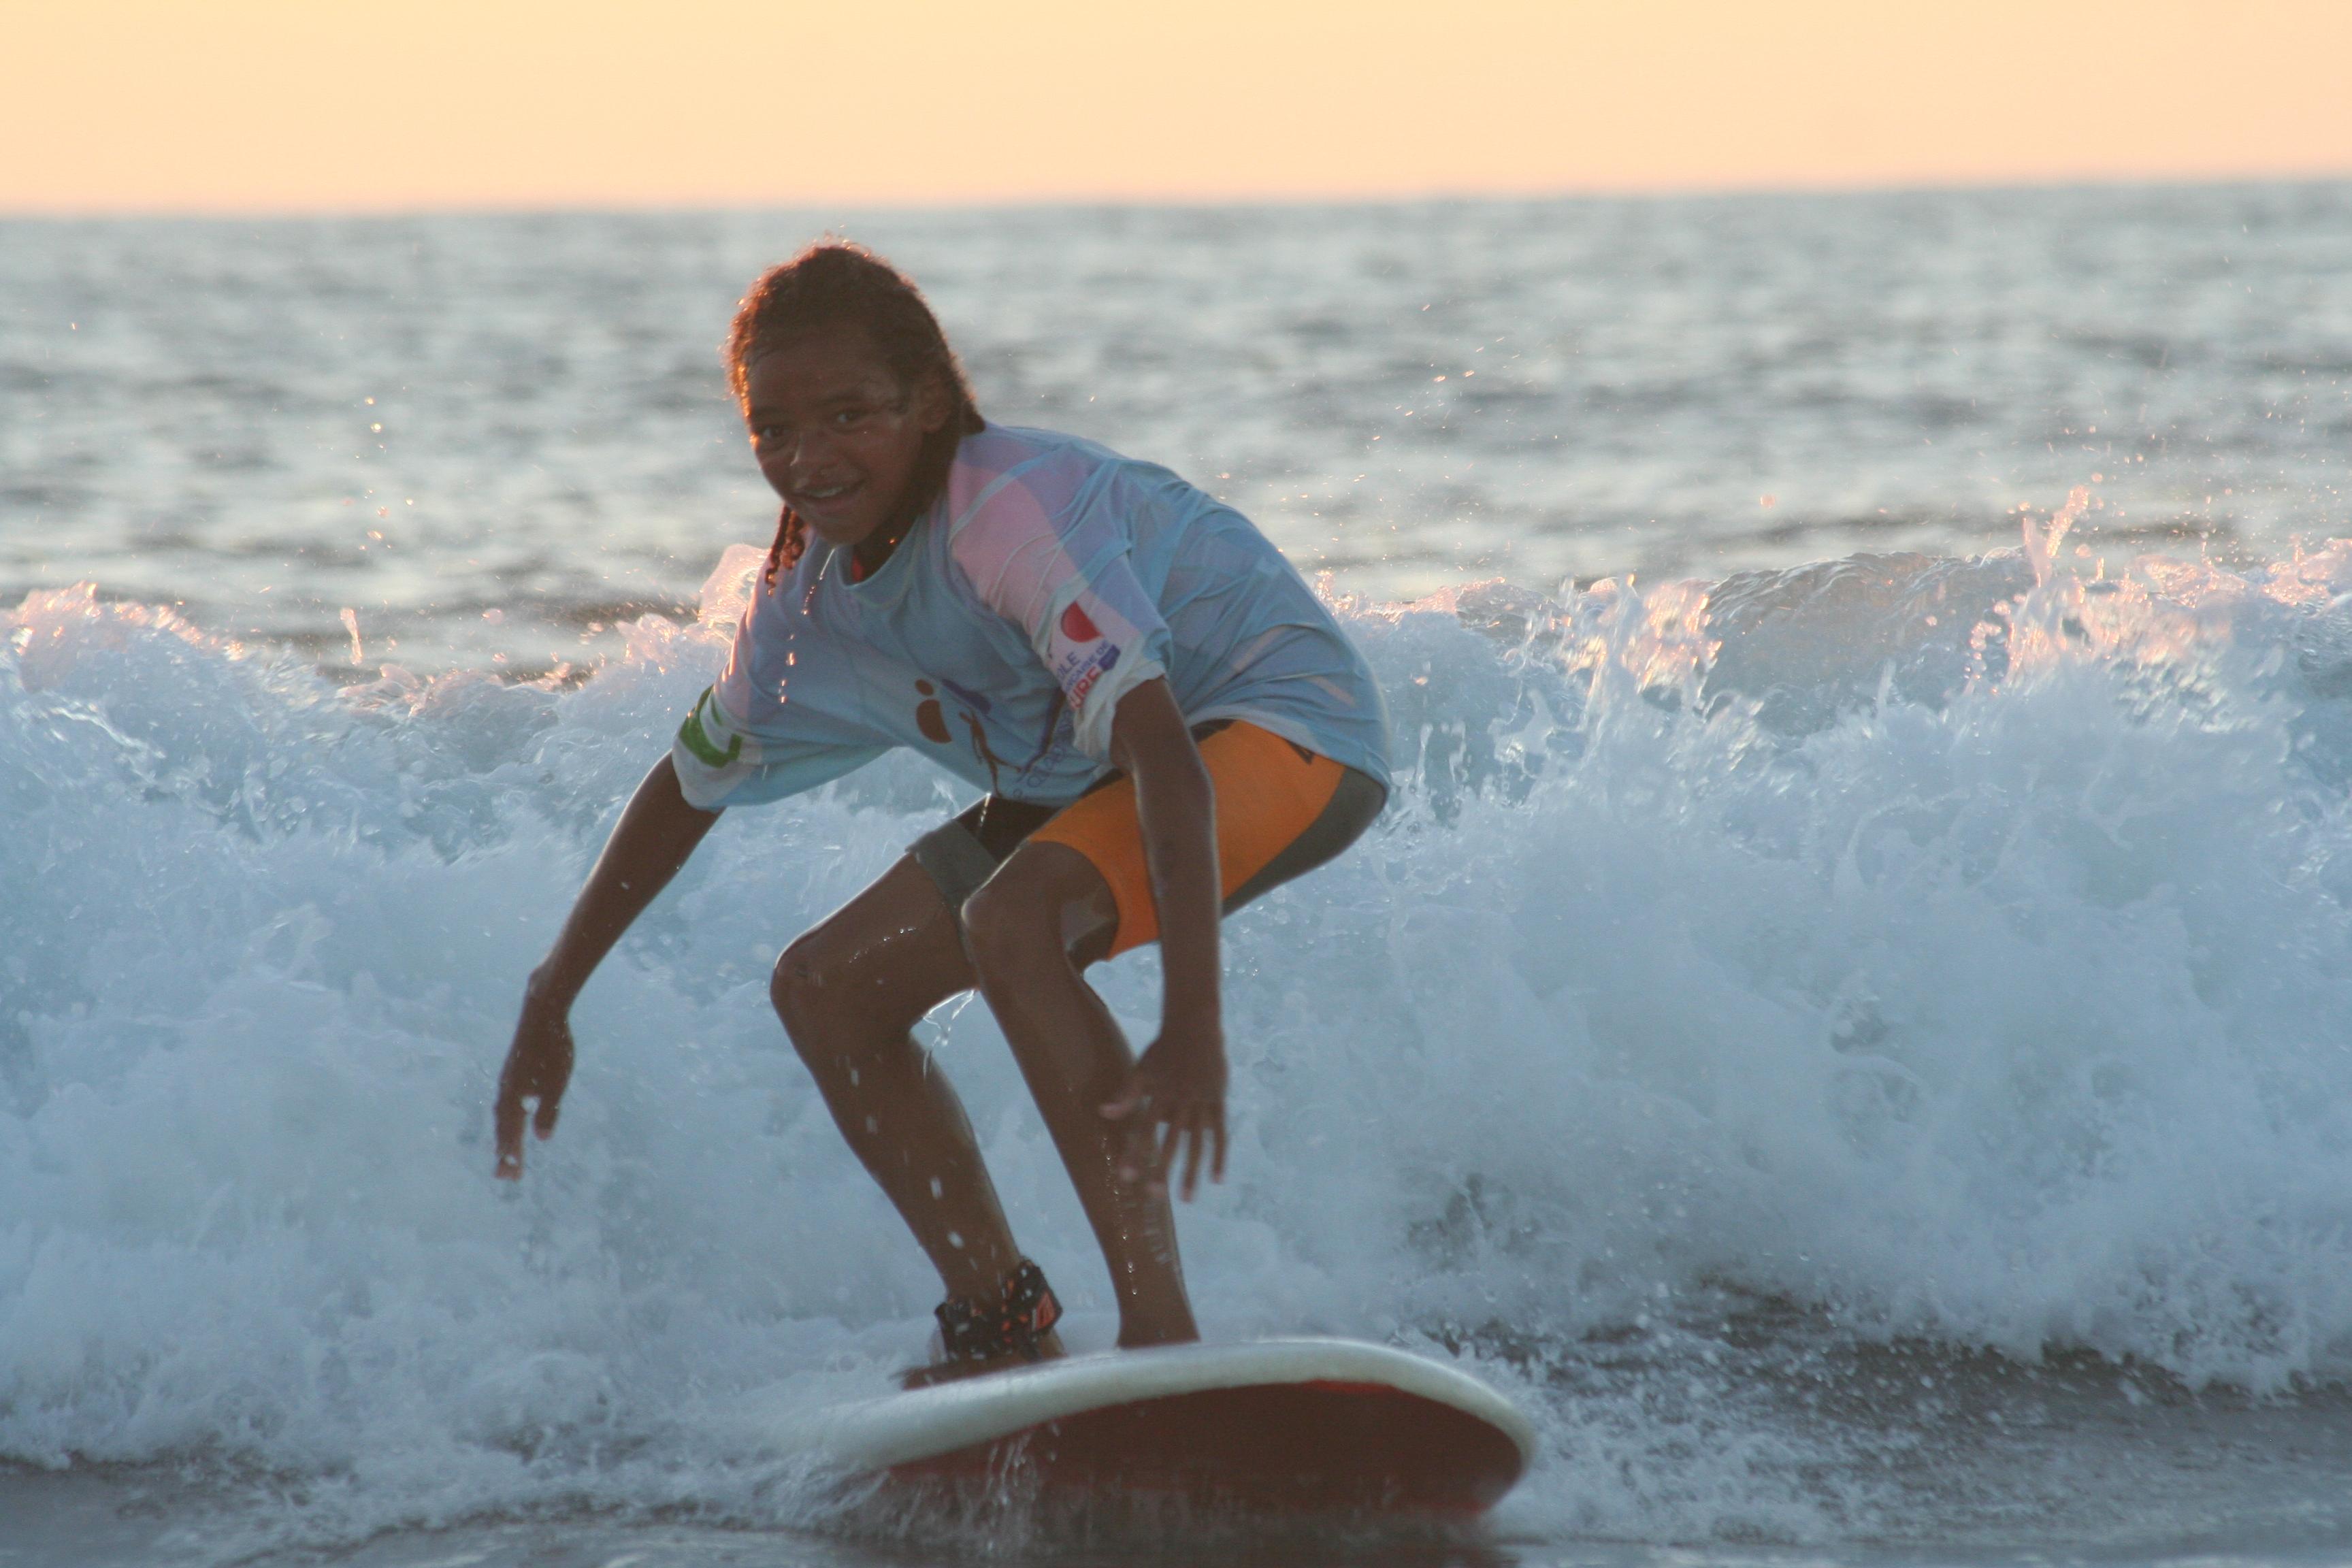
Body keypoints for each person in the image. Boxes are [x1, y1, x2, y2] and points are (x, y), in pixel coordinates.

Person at [493, 242, 1391, 1377]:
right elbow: (687, 785)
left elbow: (1164, 757)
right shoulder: (802, 602)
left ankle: (1163, 1346)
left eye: (849, 415)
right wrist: (551, 991)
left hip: (1281, 727)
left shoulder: (1006, 516)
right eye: (773, 428)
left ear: (928, 403)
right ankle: (1001, 1320)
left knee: (1013, 923)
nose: (808, 459)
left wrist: (1194, 1027)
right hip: (1084, 774)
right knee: (825, 988)